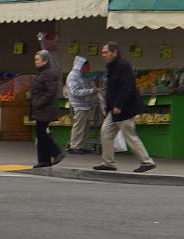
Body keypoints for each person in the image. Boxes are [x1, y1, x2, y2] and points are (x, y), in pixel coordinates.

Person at [94, 42, 156, 173]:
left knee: (130, 135)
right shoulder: (112, 66)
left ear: (114, 52)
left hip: (124, 109)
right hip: (114, 109)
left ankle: (147, 161)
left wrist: (118, 105)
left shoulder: (122, 65)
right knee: (106, 133)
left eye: (106, 52)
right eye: (103, 52)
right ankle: (108, 163)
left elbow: (126, 87)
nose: (103, 55)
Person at [29, 49, 64, 168]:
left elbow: (51, 92)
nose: (35, 62)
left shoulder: (48, 73)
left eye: (37, 60)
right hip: (41, 108)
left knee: (42, 133)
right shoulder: (43, 73)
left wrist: (39, 103)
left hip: (45, 108)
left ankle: (57, 152)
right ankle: (44, 160)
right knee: (40, 133)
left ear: (45, 61)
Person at [65, 55, 100, 154]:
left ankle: (82, 146)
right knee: (79, 126)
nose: (86, 69)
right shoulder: (72, 76)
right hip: (79, 105)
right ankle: (75, 146)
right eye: (84, 67)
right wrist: (91, 91)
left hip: (86, 105)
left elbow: (87, 85)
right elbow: (75, 91)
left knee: (85, 127)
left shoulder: (83, 77)